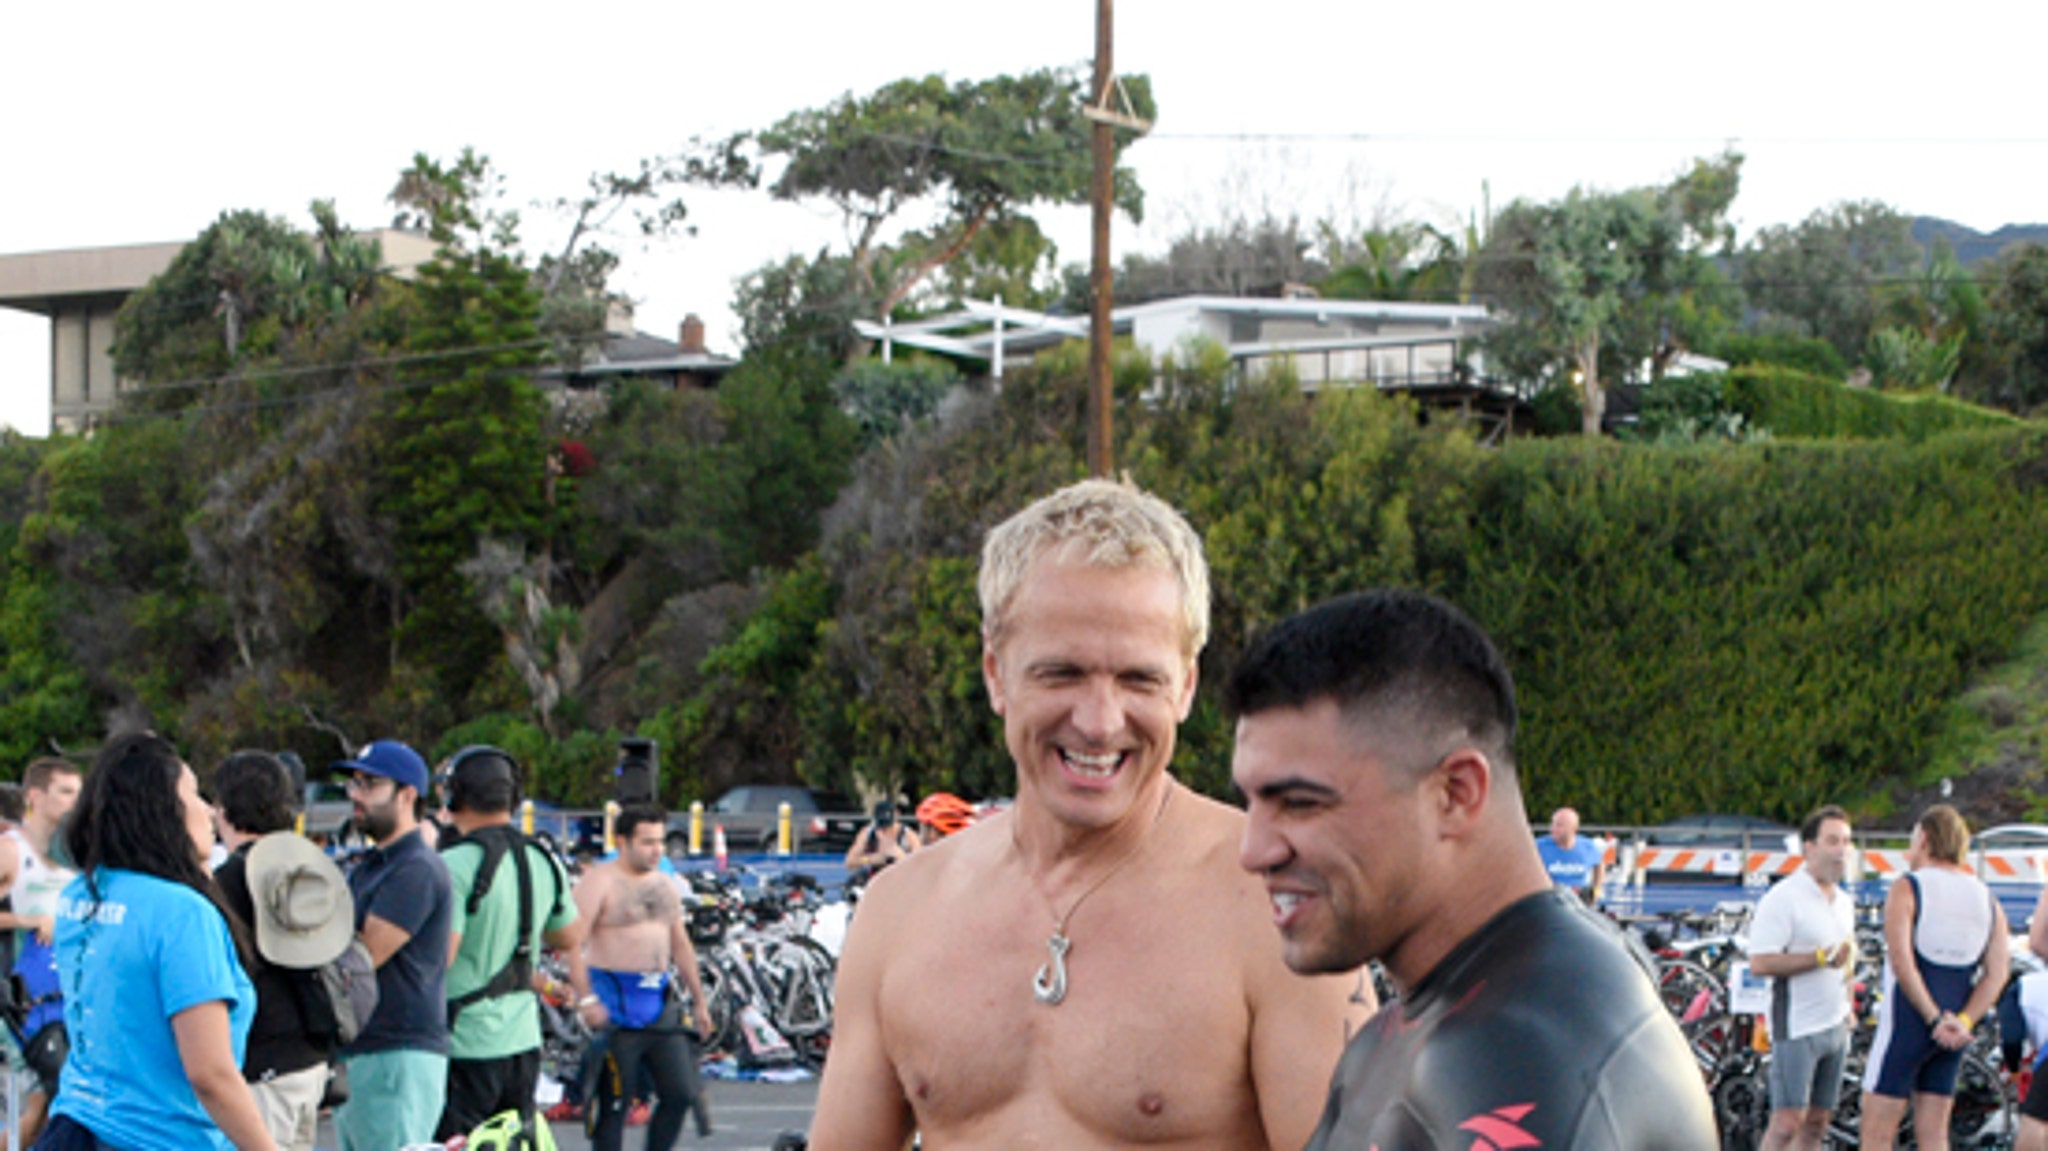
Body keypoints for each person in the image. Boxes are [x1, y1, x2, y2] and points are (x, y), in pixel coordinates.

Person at [811, 478, 1371, 1151]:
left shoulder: (1281, 911)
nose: (1100, 722)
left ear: (1186, 685)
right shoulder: (898, 912)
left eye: (1139, 678)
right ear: (996, 673)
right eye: (1062, 673)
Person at [1228, 589, 1716, 1150]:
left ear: (1455, 795)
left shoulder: (1520, 1049)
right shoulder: (1405, 1034)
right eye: (1251, 803)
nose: (1254, 850)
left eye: (1299, 803)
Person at [39, 731, 276, 1151]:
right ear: (159, 810)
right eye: (194, 793)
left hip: (74, 1127)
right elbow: (210, 1075)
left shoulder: (81, 893)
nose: (208, 809)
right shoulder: (181, 913)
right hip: (159, 1139)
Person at [436, 745, 588, 1141]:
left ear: (457, 796)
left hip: (465, 1040)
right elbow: (569, 935)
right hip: (522, 1039)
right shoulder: (541, 858)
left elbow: (441, 958)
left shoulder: (454, 865)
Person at [211, 751, 354, 1151]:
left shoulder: (225, 883)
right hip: (311, 1055)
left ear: (223, 811)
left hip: (263, 1063)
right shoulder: (308, 866)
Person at [1859, 804, 2011, 1151]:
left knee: (1877, 1135)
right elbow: (1996, 972)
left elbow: (1902, 961)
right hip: (1954, 1029)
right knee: (1935, 1136)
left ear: (1924, 839)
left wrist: (1931, 1018)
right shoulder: (1986, 897)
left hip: (1908, 1022)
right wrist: (1962, 1021)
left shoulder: (1908, 887)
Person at [331, 739, 454, 1151]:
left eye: (369, 784)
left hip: (397, 1052)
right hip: (370, 1051)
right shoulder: (372, 865)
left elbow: (362, 956)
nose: (356, 795)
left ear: (407, 795)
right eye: (354, 784)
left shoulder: (416, 868)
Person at [576, 804, 712, 1151]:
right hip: (615, 1003)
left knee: (680, 1093)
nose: (657, 850)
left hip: (657, 1002)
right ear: (622, 841)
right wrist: (586, 998)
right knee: (614, 1106)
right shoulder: (599, 882)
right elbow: (571, 944)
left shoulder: (664, 884)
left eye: (661, 842)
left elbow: (680, 944)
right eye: (647, 842)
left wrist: (699, 1001)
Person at [1745, 805, 1857, 1151]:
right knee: (1786, 1122)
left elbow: (1847, 957)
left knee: (1819, 1122)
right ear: (1810, 848)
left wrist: (1849, 1004)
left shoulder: (1843, 901)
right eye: (1833, 841)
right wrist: (1817, 959)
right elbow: (1760, 962)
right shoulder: (1784, 898)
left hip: (1834, 1023)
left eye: (1847, 842)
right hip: (1797, 1024)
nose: (1841, 850)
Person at [0, 756, 80, 1143]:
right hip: (17, 1007)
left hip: (60, 1000)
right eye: (65, 792)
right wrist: (31, 921)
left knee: (52, 1111)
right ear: (35, 796)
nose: (74, 803)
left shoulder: (72, 855)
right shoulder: (11, 850)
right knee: (36, 1110)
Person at [1533, 805, 1605, 903]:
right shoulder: (1539, 846)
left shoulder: (1588, 847)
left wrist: (1596, 890)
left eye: (1559, 825)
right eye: (1553, 824)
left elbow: (1599, 864)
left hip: (1578, 901)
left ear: (1573, 828)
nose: (1553, 829)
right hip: (1550, 900)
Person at [842, 801, 919, 880]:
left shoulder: (909, 836)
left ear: (896, 816)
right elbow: (849, 862)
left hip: (901, 880)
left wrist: (901, 857)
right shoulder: (868, 833)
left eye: (888, 825)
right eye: (881, 825)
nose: (884, 830)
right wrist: (870, 859)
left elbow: (920, 868)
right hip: (876, 880)